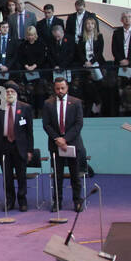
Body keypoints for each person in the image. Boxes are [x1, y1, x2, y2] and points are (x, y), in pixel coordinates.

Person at [42, 77, 87, 213]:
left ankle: (77, 201)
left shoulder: (76, 102)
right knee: (57, 175)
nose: (60, 91)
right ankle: (57, 202)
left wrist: (65, 139)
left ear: (67, 88)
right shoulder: (48, 103)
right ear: (54, 88)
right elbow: (46, 125)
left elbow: (79, 124)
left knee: (75, 175)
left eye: (62, 88)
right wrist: (57, 138)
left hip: (72, 144)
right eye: (57, 88)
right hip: (55, 144)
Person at [0, 83, 34, 212]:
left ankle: (22, 201)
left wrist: (30, 150)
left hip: (19, 147)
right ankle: (9, 201)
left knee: (21, 175)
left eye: (12, 92)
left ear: (16, 93)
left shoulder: (25, 108)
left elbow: (29, 131)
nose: (9, 94)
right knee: (7, 176)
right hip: (3, 146)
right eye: (7, 91)